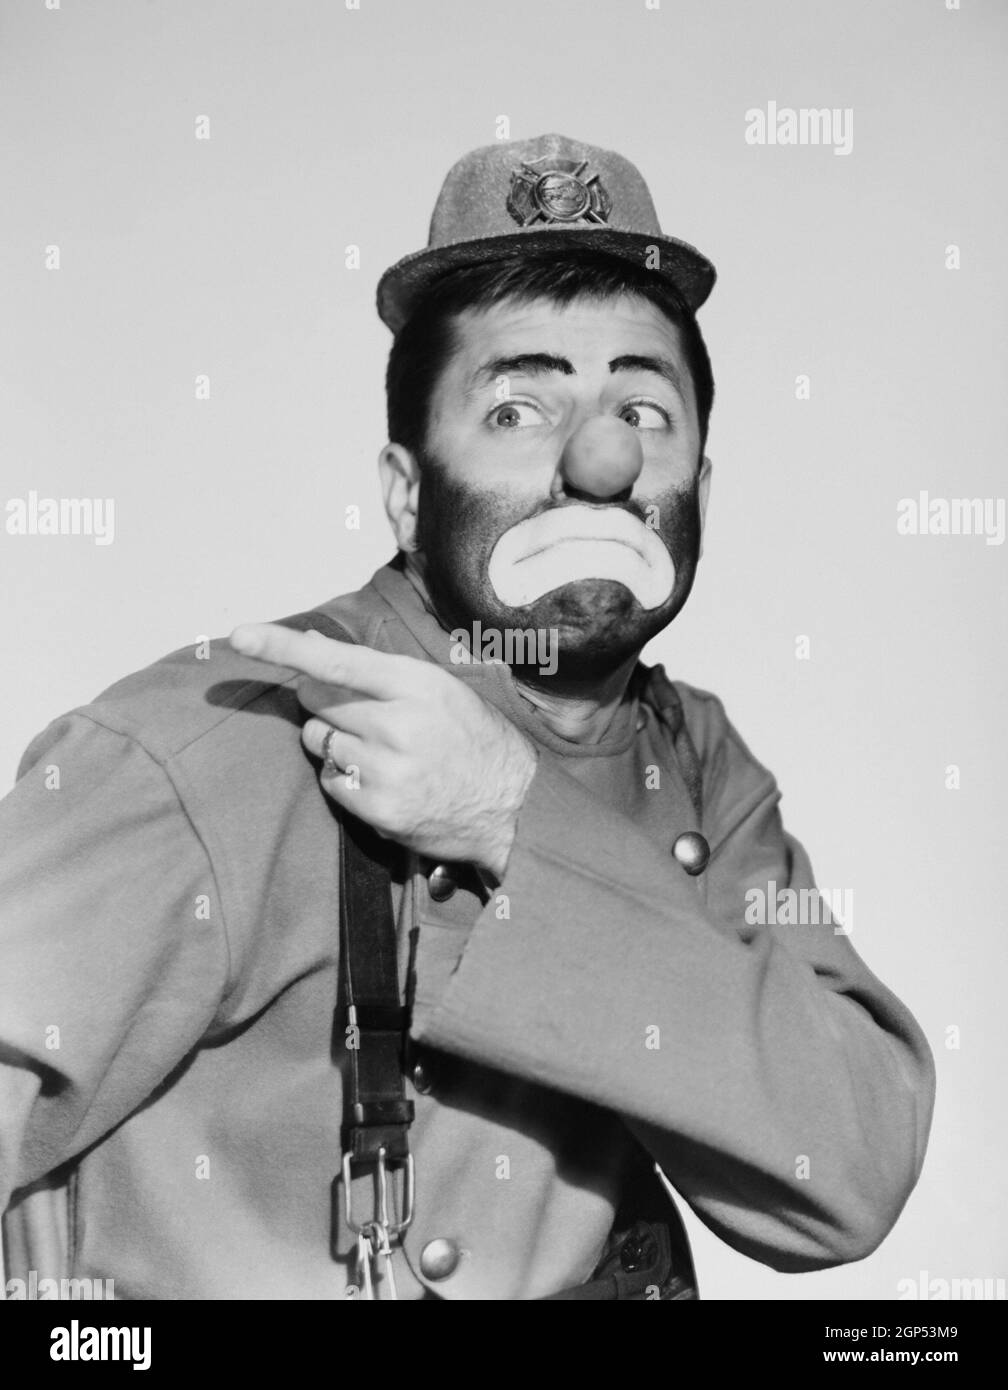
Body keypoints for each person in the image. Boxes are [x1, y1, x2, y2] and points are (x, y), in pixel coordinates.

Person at [1, 133, 934, 1301]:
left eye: (644, 409)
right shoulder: (206, 741)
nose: (601, 462)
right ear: (405, 493)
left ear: (703, 483)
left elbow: (852, 1164)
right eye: (517, 410)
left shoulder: (693, 763)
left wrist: (511, 819)